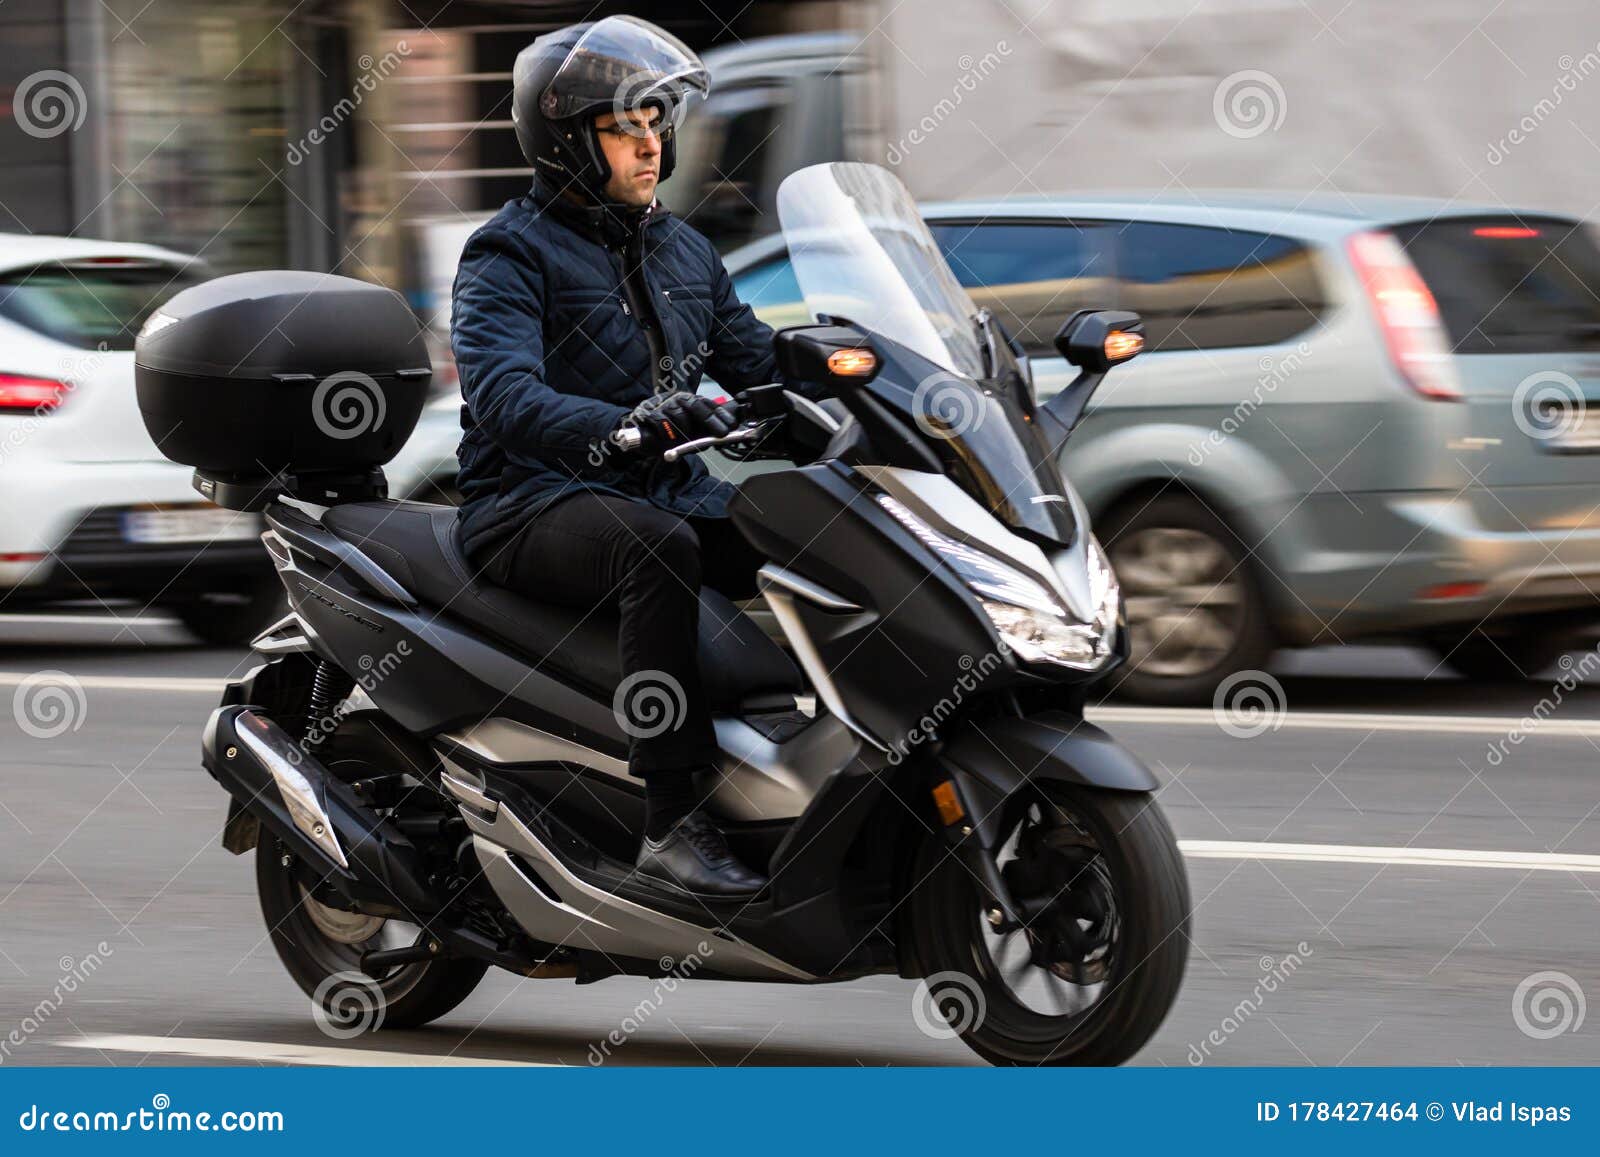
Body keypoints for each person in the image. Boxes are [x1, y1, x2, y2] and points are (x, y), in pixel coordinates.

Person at [450, 16, 779, 896]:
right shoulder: (508, 252)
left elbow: (757, 362)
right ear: (564, 141)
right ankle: (674, 819)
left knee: (809, 532)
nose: (648, 146)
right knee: (655, 547)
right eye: (622, 129)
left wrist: (857, 371)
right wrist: (630, 422)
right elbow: (506, 400)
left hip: (663, 487)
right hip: (527, 501)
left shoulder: (683, 249)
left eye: (656, 126)